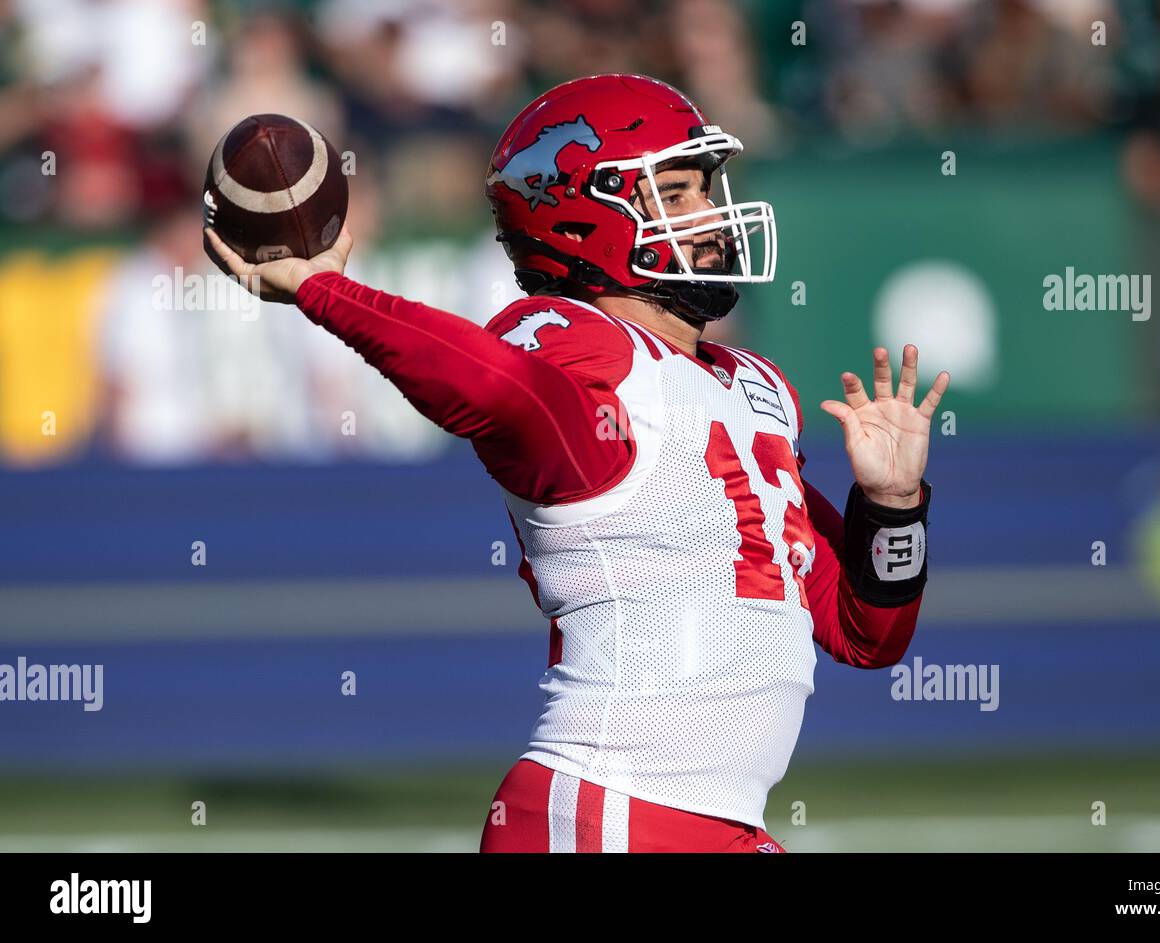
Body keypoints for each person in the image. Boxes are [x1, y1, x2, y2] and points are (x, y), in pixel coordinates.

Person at [205, 73, 949, 853]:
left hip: (713, 826)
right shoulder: (573, 343)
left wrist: (892, 504)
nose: (711, 214)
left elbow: (867, 633)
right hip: (611, 812)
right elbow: (498, 390)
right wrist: (329, 291)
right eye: (679, 190)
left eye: (708, 187)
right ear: (588, 213)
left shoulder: (754, 388)